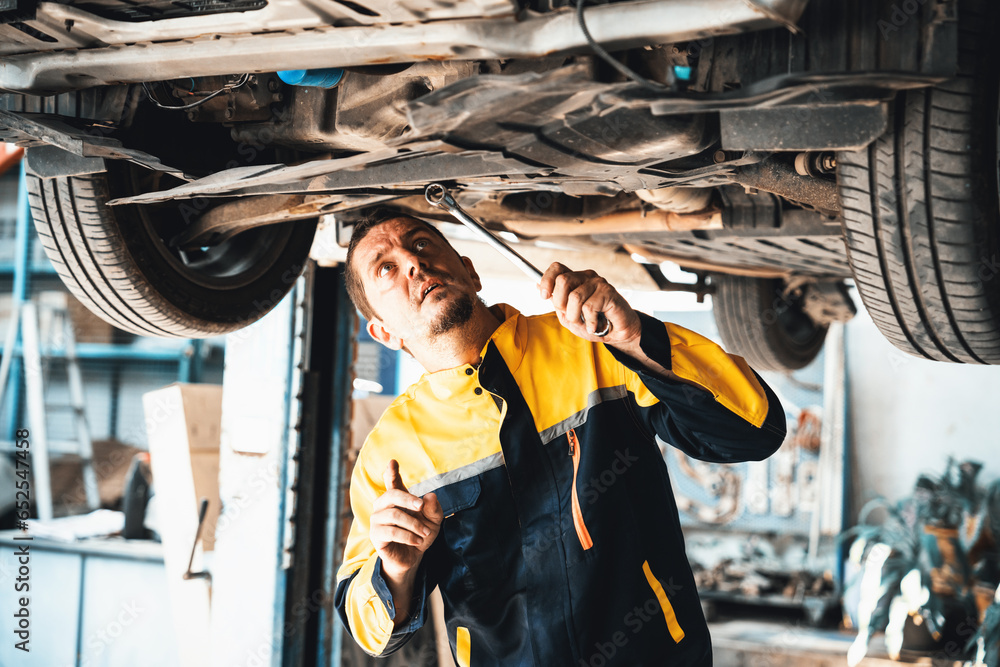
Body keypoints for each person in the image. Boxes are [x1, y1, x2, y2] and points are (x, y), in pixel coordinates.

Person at [334, 209, 786, 666]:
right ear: (381, 332)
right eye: (385, 267)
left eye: (422, 244)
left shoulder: (592, 342)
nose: (414, 263)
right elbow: (368, 628)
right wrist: (395, 570)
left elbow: (752, 430)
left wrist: (634, 339)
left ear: (469, 270)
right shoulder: (392, 452)